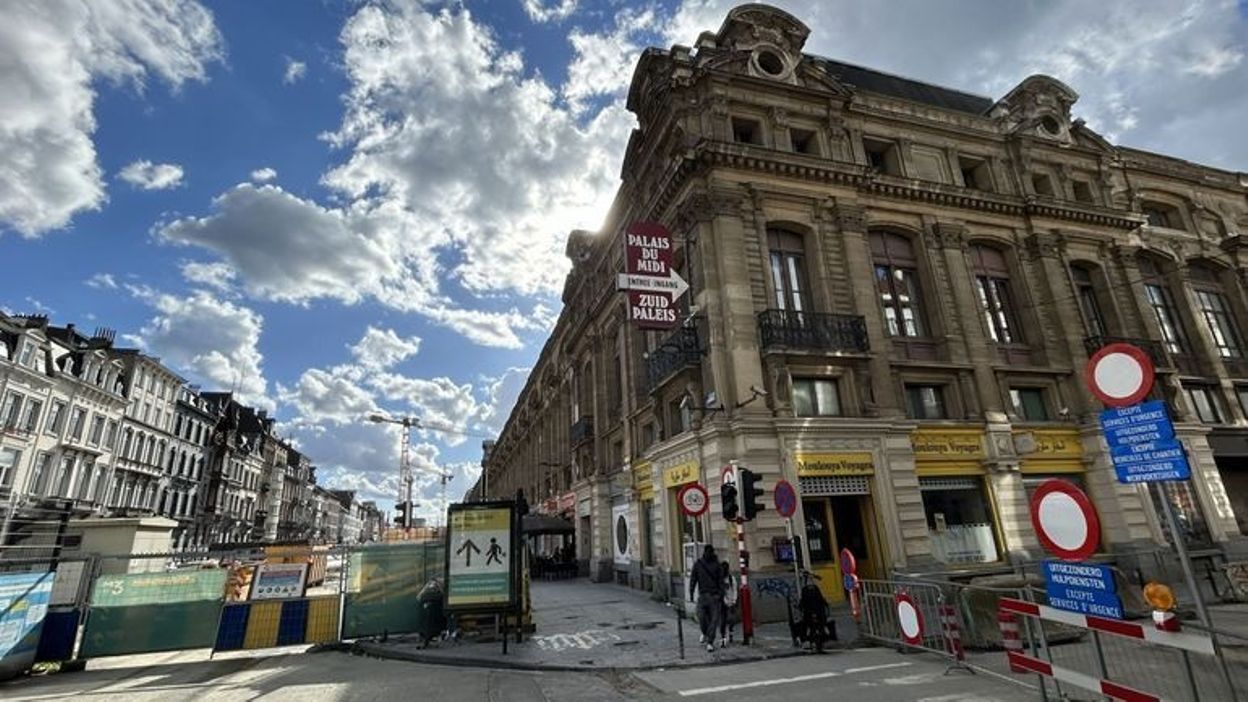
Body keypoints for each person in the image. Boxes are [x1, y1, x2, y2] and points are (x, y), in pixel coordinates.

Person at [689, 544, 724, 652]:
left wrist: (720, 594)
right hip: (704, 595)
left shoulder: (716, 565)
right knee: (702, 618)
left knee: (713, 620)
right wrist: (691, 591)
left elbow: (720, 581)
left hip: (713, 596)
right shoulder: (699, 564)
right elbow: (693, 578)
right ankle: (705, 633)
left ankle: (710, 641)